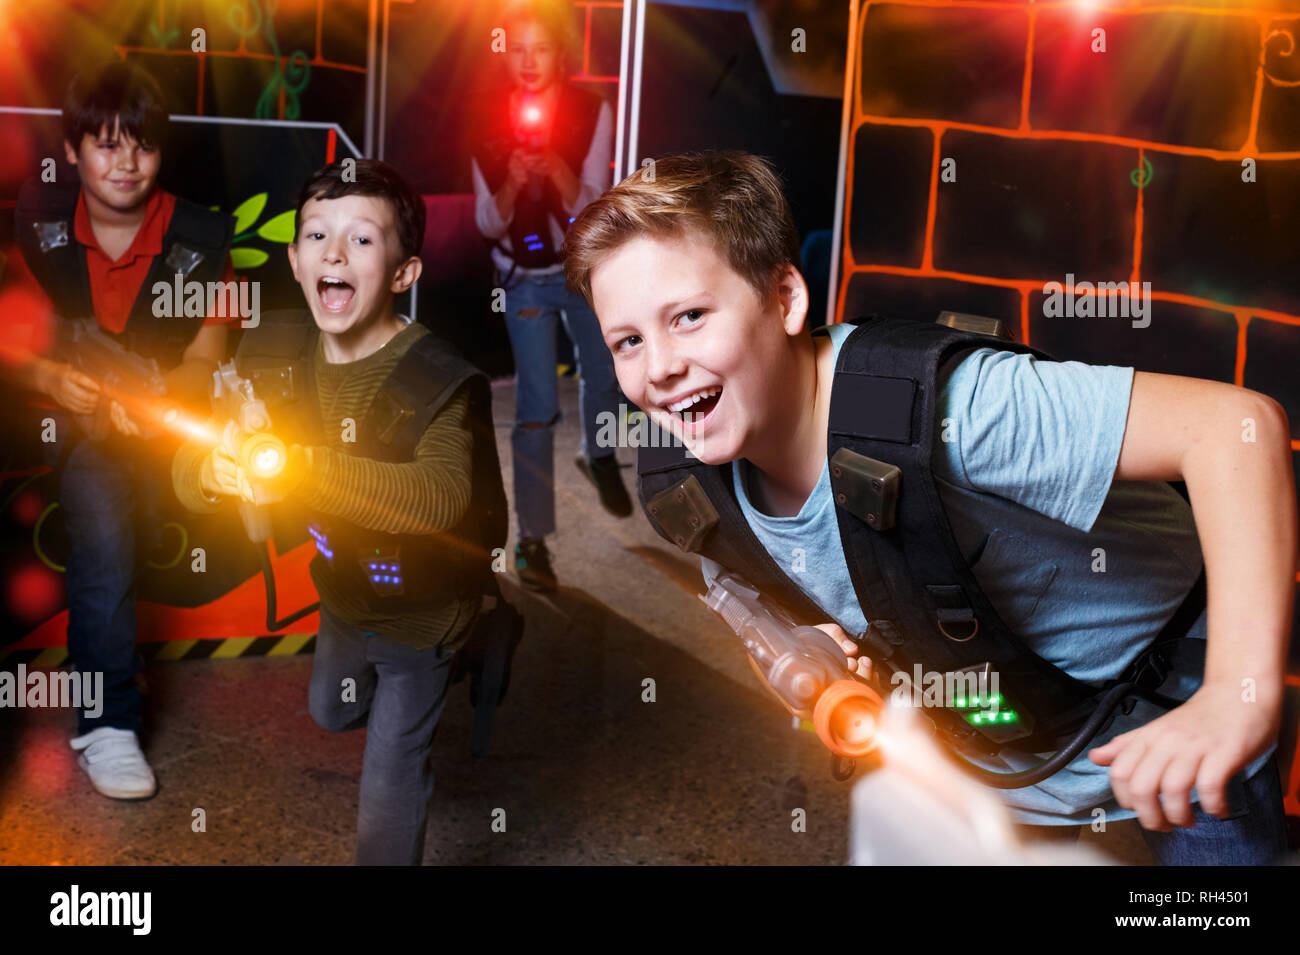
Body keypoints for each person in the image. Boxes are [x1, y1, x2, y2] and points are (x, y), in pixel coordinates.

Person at [562, 150, 1295, 865]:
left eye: (689, 316)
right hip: (994, 755)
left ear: (786, 298)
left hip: (1175, 722)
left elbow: (1239, 430)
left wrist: (1238, 694)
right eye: (627, 340)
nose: (657, 367)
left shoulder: (956, 413)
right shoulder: (695, 483)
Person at [172, 159, 509, 865]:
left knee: (388, 781)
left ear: (403, 273)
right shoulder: (271, 350)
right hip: (345, 595)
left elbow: (441, 496)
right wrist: (211, 468)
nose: (333, 252)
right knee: (331, 709)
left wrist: (299, 467)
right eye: (317, 235)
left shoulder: (436, 377)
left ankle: (478, 631)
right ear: (294, 261)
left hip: (424, 612)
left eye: (361, 240)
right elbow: (185, 466)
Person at [11, 62, 236, 800]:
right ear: (72, 151)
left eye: (140, 144)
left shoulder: (201, 237)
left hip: (170, 424)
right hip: (66, 423)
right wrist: (53, 382)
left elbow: (208, 353)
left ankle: (110, 720)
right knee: (104, 531)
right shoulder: (38, 220)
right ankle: (105, 723)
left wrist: (162, 400)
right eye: (104, 145)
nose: (124, 162)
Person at [471, 0, 631, 592]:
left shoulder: (592, 110)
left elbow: (595, 205)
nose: (529, 61)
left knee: (606, 370)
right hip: (523, 277)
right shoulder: (484, 120)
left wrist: (557, 169)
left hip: (581, 269)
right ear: (505, 54)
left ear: (560, 53)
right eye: (518, 48)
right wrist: (513, 179)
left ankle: (599, 454)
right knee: (536, 409)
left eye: (541, 48)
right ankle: (531, 539)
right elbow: (489, 223)